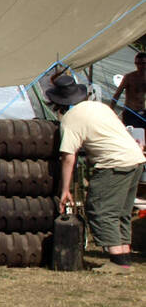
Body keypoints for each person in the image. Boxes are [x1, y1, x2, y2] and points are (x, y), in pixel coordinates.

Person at [46, 73, 145, 271]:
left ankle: (117, 261)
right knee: (122, 212)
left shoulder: (70, 119)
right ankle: (124, 258)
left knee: (99, 209)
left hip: (114, 164)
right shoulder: (100, 107)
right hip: (136, 160)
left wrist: (65, 189)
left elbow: (68, 156)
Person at [110, 51, 146, 130]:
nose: (140, 66)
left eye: (143, 63)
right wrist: (111, 109)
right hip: (130, 112)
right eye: (138, 63)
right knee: (131, 135)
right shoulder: (129, 77)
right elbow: (117, 93)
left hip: (142, 111)